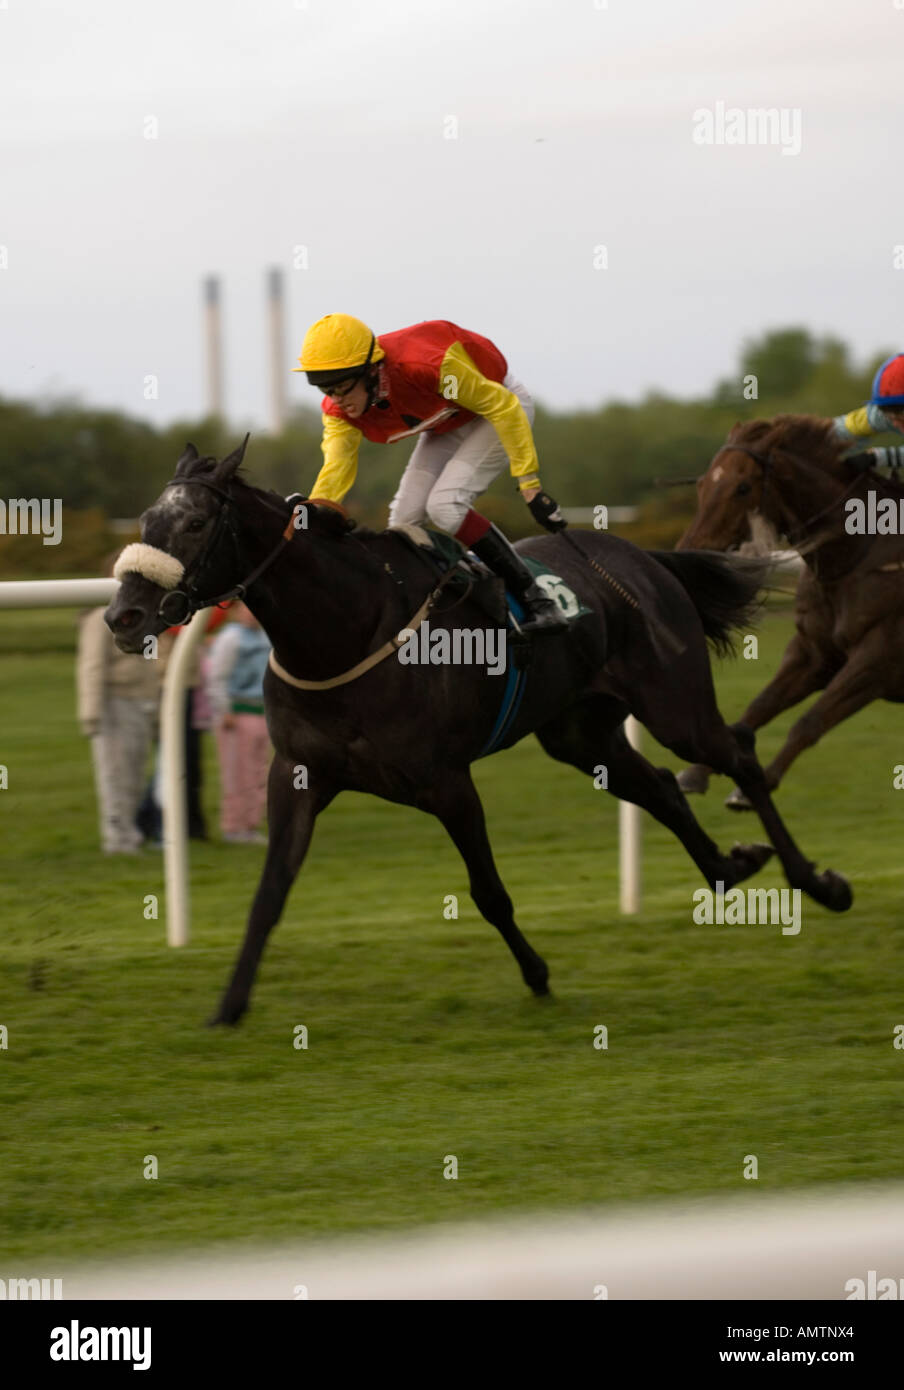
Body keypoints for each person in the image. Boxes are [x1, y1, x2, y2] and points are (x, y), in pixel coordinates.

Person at [291, 314, 568, 633]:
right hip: (446, 418)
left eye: (342, 388)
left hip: (499, 407)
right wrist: (312, 514)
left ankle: (537, 599)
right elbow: (336, 466)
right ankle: (446, 605)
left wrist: (530, 486)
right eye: (327, 390)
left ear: (370, 371)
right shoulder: (338, 410)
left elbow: (502, 406)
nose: (337, 400)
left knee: (445, 506)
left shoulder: (426, 366)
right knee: (402, 525)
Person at [77, 560, 160, 854]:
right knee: (116, 773)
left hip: (142, 703)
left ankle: (130, 832)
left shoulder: (141, 617)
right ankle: (117, 838)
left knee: (136, 772)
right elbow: (92, 666)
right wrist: (91, 713)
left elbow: (151, 662)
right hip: (114, 703)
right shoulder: (99, 618)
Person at [206, 603, 272, 844]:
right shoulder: (230, 638)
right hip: (236, 714)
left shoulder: (266, 636)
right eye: (245, 609)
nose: (251, 613)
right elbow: (217, 676)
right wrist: (224, 709)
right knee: (237, 772)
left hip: (261, 711)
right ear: (235, 611)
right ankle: (234, 826)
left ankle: (252, 824)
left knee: (258, 772)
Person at [832, 354, 904, 468]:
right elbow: (842, 429)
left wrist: (877, 457)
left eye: (901, 416)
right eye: (890, 416)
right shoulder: (885, 414)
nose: (895, 423)